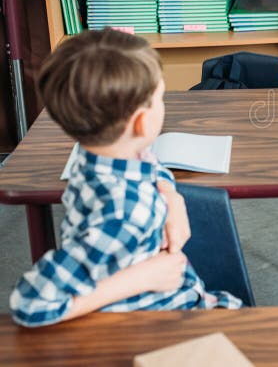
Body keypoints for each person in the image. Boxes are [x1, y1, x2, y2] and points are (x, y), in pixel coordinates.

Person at [10, 29, 242, 327]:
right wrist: (138, 279)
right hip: (153, 323)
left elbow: (151, 165)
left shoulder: (99, 152)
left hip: (178, 297)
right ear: (142, 121)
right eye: (160, 97)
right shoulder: (122, 213)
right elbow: (29, 303)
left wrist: (170, 196)